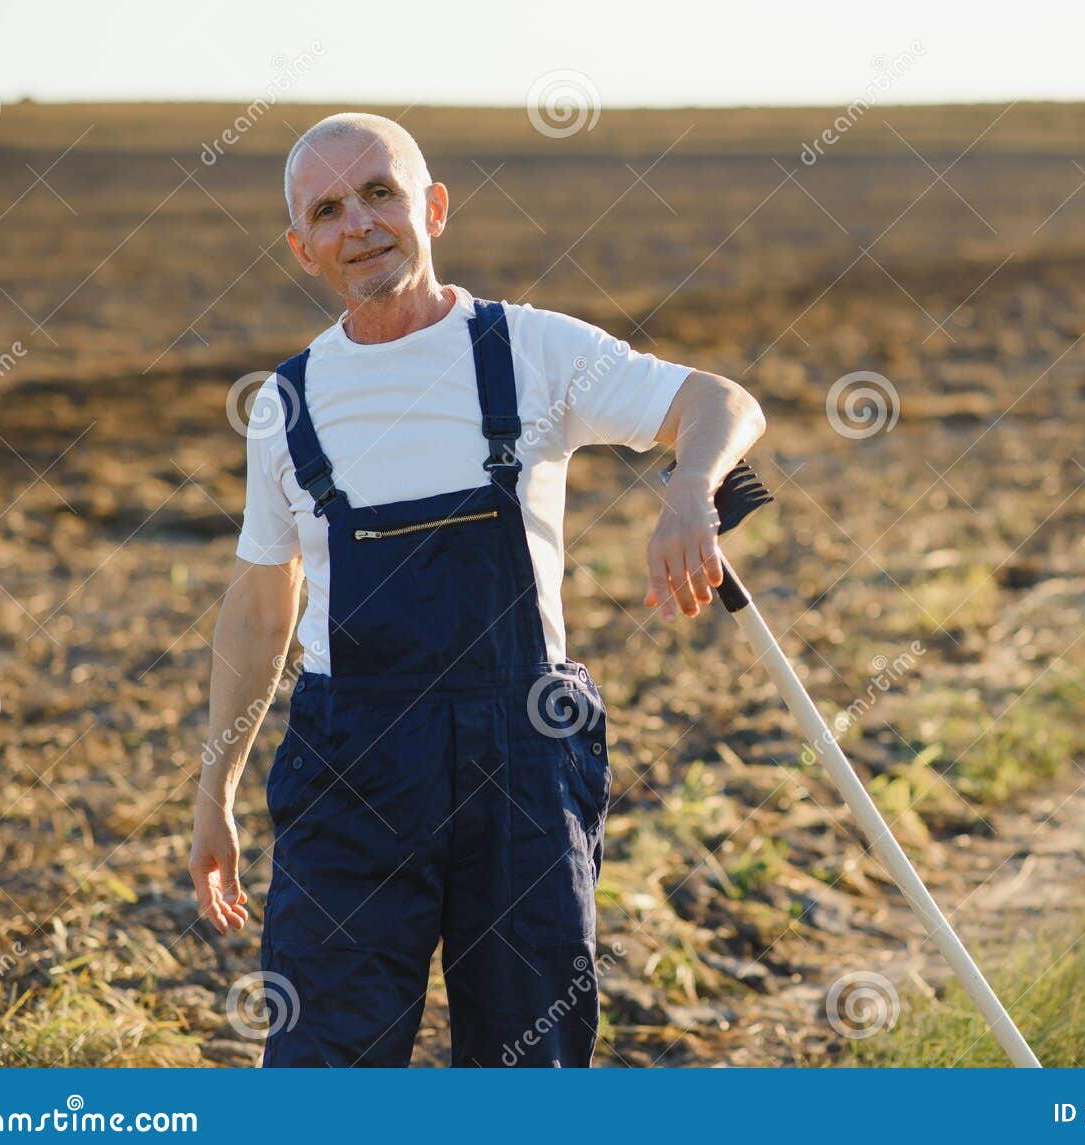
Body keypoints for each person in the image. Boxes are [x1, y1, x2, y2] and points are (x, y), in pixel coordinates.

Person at [186, 112, 765, 1067]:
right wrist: (217, 789)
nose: (360, 224)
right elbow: (260, 604)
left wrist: (691, 492)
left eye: (381, 192)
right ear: (303, 248)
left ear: (433, 207)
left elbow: (718, 402)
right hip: (351, 771)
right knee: (322, 1067)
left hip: (523, 755)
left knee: (523, 1069)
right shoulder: (284, 406)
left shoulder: (529, 349)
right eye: (328, 210)